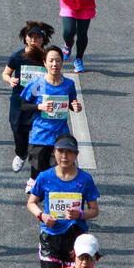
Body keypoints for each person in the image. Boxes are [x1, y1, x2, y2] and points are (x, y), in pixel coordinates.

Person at [27, 133, 99, 268]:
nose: (64, 156)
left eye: (69, 152)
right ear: (54, 152)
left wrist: (79, 214)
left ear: (76, 155)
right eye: (60, 151)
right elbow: (31, 203)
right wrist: (42, 216)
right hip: (50, 237)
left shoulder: (85, 179)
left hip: (75, 237)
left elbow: (94, 210)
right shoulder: (45, 177)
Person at [21, 45, 82, 186]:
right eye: (51, 61)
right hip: (40, 135)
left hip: (60, 136)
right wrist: (39, 106)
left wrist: (76, 107)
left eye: (58, 60)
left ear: (62, 62)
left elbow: (72, 103)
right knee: (39, 171)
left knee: (58, 171)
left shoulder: (68, 84)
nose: (55, 64)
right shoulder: (36, 84)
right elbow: (23, 106)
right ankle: (34, 188)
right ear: (45, 63)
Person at [4, 21, 53, 172]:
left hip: (40, 102)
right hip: (19, 99)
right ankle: (21, 153)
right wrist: (10, 80)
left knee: (38, 137)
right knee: (18, 131)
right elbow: (6, 73)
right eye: (30, 36)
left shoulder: (46, 57)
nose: (33, 39)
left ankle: (34, 174)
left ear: (43, 39)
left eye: (37, 37)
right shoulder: (17, 56)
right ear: (25, 38)